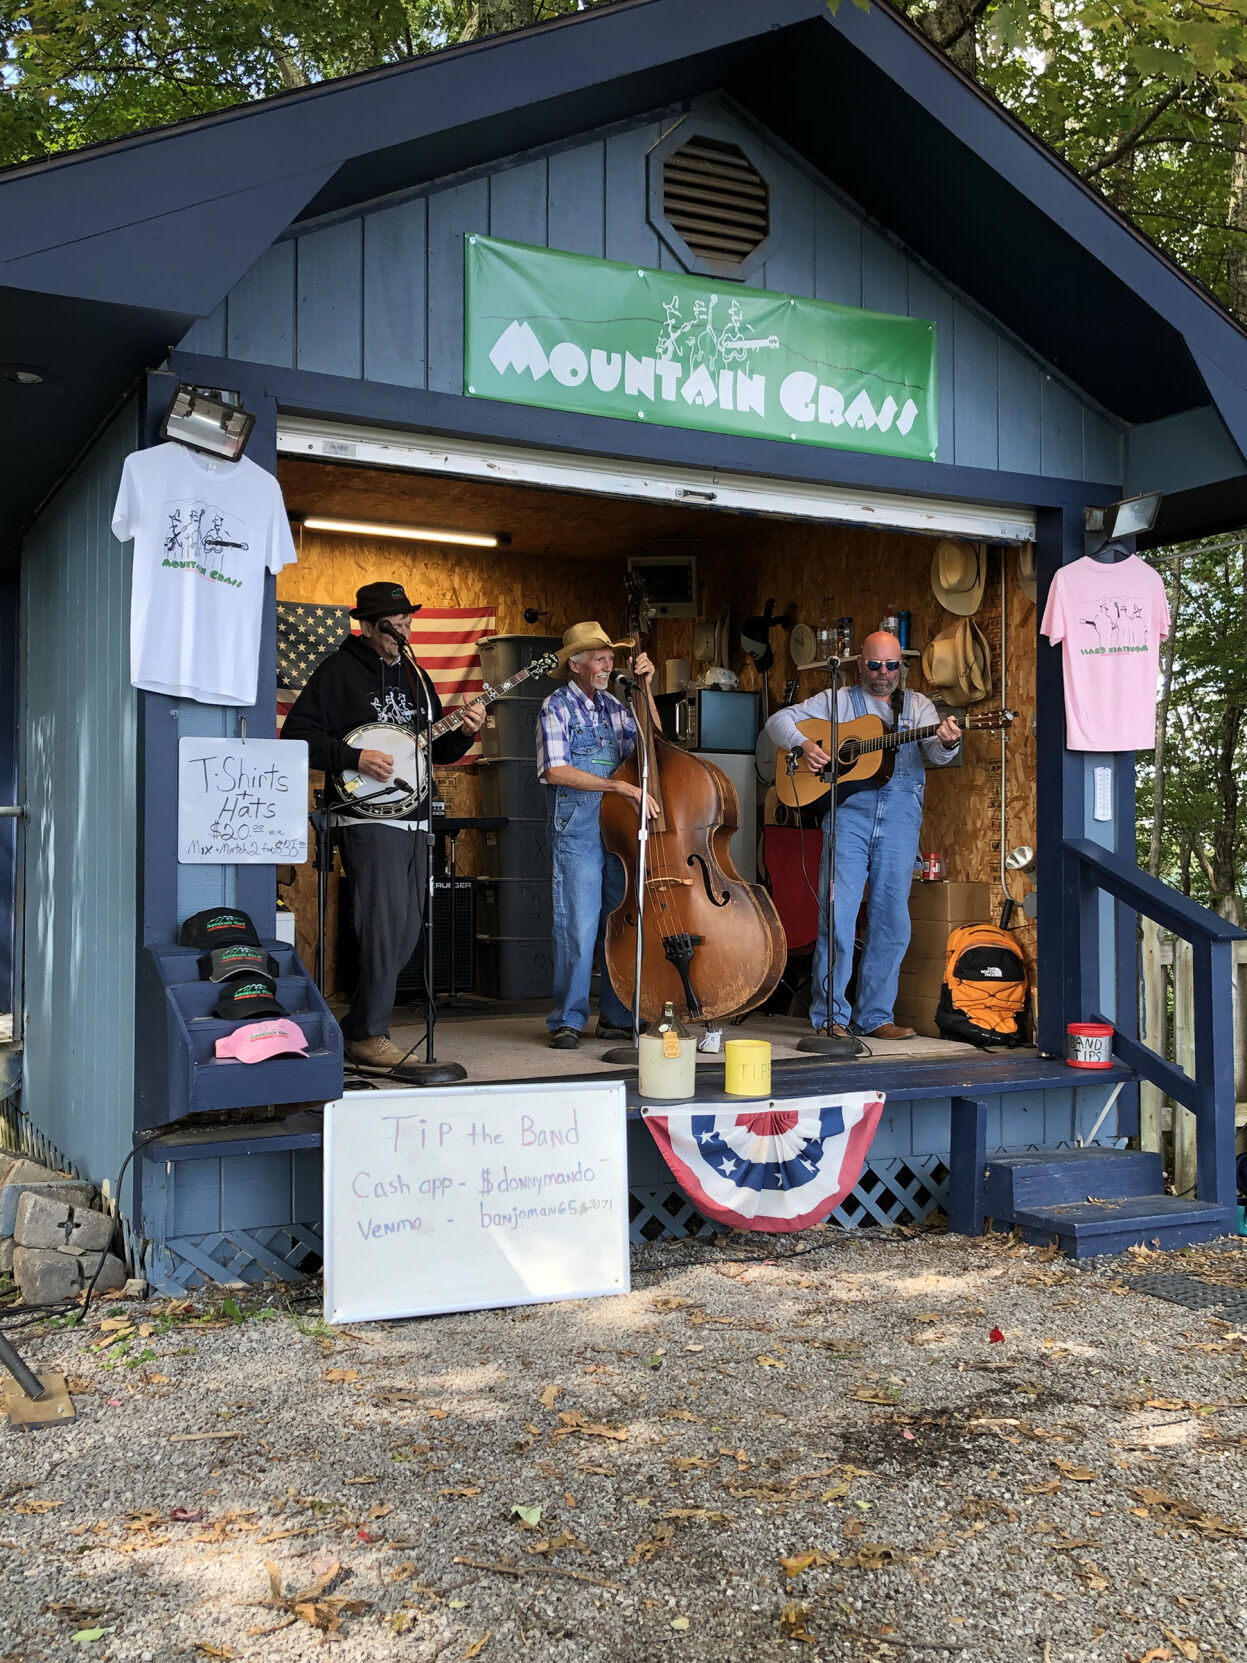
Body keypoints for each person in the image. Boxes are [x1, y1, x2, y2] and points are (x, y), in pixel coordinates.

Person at [282, 581, 486, 1073]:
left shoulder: (416, 675)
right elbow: (296, 736)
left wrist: (462, 734)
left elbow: (433, 751)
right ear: (368, 627)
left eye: (409, 623)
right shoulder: (338, 672)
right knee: (382, 926)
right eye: (394, 627)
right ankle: (372, 1034)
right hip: (367, 816)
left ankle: (358, 1029)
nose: (405, 633)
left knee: (407, 930)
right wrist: (354, 756)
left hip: (414, 818)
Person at [764, 631, 961, 1039]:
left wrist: (948, 742)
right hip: (848, 818)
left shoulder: (919, 706)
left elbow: (936, 755)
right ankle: (831, 1018)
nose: (884, 674)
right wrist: (803, 745)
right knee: (838, 915)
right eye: (875, 665)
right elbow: (776, 722)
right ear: (860, 666)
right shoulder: (837, 701)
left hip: (900, 822)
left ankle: (875, 1017)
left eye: (892, 666)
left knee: (892, 920)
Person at [536, 621, 660, 1050]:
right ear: (576, 664)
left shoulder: (614, 706)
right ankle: (567, 1019)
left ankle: (616, 1014)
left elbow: (652, 744)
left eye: (611, 658)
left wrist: (645, 689)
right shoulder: (556, 707)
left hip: (617, 827)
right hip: (579, 825)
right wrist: (618, 786)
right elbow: (555, 770)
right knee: (578, 923)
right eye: (601, 658)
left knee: (620, 921)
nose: (609, 665)